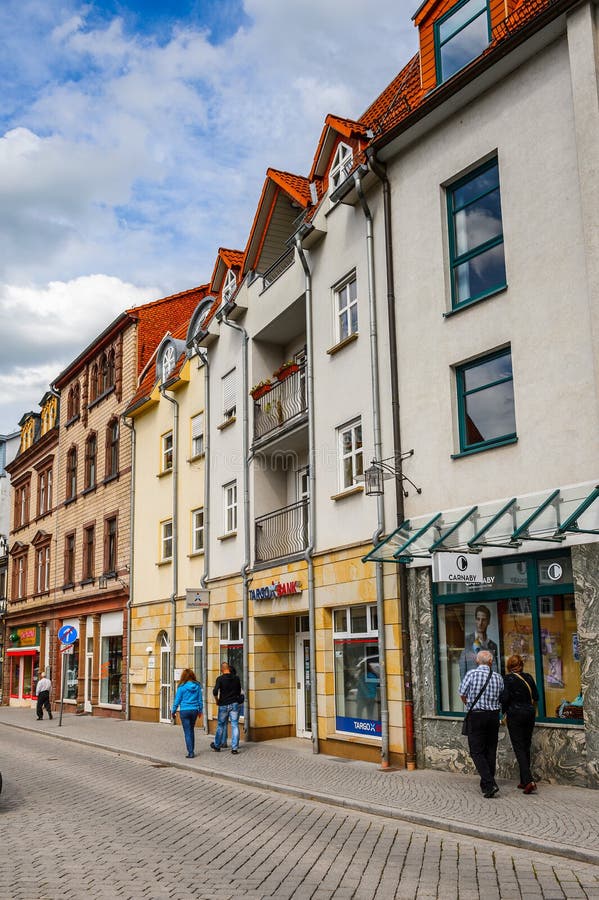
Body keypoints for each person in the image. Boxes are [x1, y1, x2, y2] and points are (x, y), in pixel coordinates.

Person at [459, 649, 504, 798]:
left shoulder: (471, 674)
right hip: (493, 716)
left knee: (476, 751)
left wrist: (469, 704)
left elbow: (462, 694)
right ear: (491, 662)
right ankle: (487, 785)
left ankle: (489, 783)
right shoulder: (498, 677)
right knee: (491, 749)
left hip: (477, 716)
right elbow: (501, 696)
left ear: (477, 661)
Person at [501, 654, 539, 794]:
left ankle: (528, 780)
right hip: (529, 714)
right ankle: (524, 780)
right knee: (526, 745)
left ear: (509, 667)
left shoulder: (507, 679)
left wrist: (504, 712)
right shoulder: (528, 677)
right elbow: (536, 696)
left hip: (515, 715)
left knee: (518, 747)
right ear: (521, 665)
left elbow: (504, 699)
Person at [210, 661, 242, 755]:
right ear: (228, 668)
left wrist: (217, 700)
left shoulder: (220, 679)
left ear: (222, 669)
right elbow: (239, 691)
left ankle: (217, 745)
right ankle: (234, 748)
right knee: (235, 725)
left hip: (223, 704)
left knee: (220, 725)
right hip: (234, 704)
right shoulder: (236, 678)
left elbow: (215, 691)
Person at [459, 605, 499, 679]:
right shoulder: (466, 641)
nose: (480, 623)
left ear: (488, 621)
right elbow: (462, 667)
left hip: (488, 686)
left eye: (483, 620)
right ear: (475, 620)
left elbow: (495, 670)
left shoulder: (492, 645)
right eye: (478, 619)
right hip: (472, 686)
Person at [171, 668, 203, 759]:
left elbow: (177, 701)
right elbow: (200, 700)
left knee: (187, 732)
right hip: (194, 711)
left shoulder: (181, 687)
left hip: (184, 711)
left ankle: (191, 752)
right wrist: (200, 710)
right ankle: (192, 750)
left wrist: (173, 711)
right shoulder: (197, 686)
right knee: (191, 730)